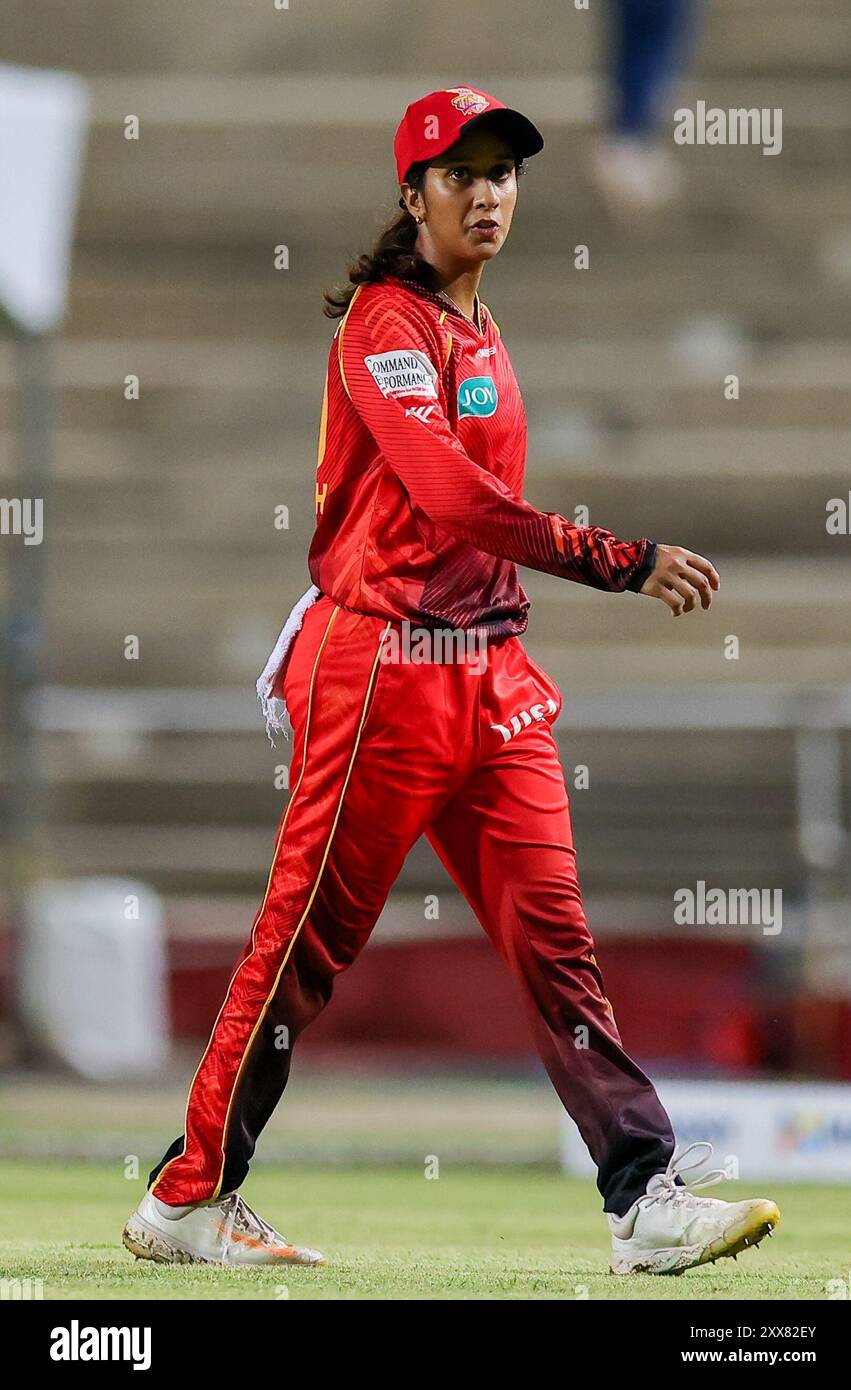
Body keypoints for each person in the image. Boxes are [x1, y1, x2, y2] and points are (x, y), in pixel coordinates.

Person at [123, 85, 779, 1275]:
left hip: (489, 674)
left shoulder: (479, 327)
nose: (488, 191)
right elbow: (449, 498)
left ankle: (642, 1195)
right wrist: (616, 560)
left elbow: (472, 518)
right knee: (306, 944)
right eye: (462, 171)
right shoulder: (385, 323)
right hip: (381, 669)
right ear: (412, 194)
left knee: (554, 941)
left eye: (505, 171)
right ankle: (187, 1195)